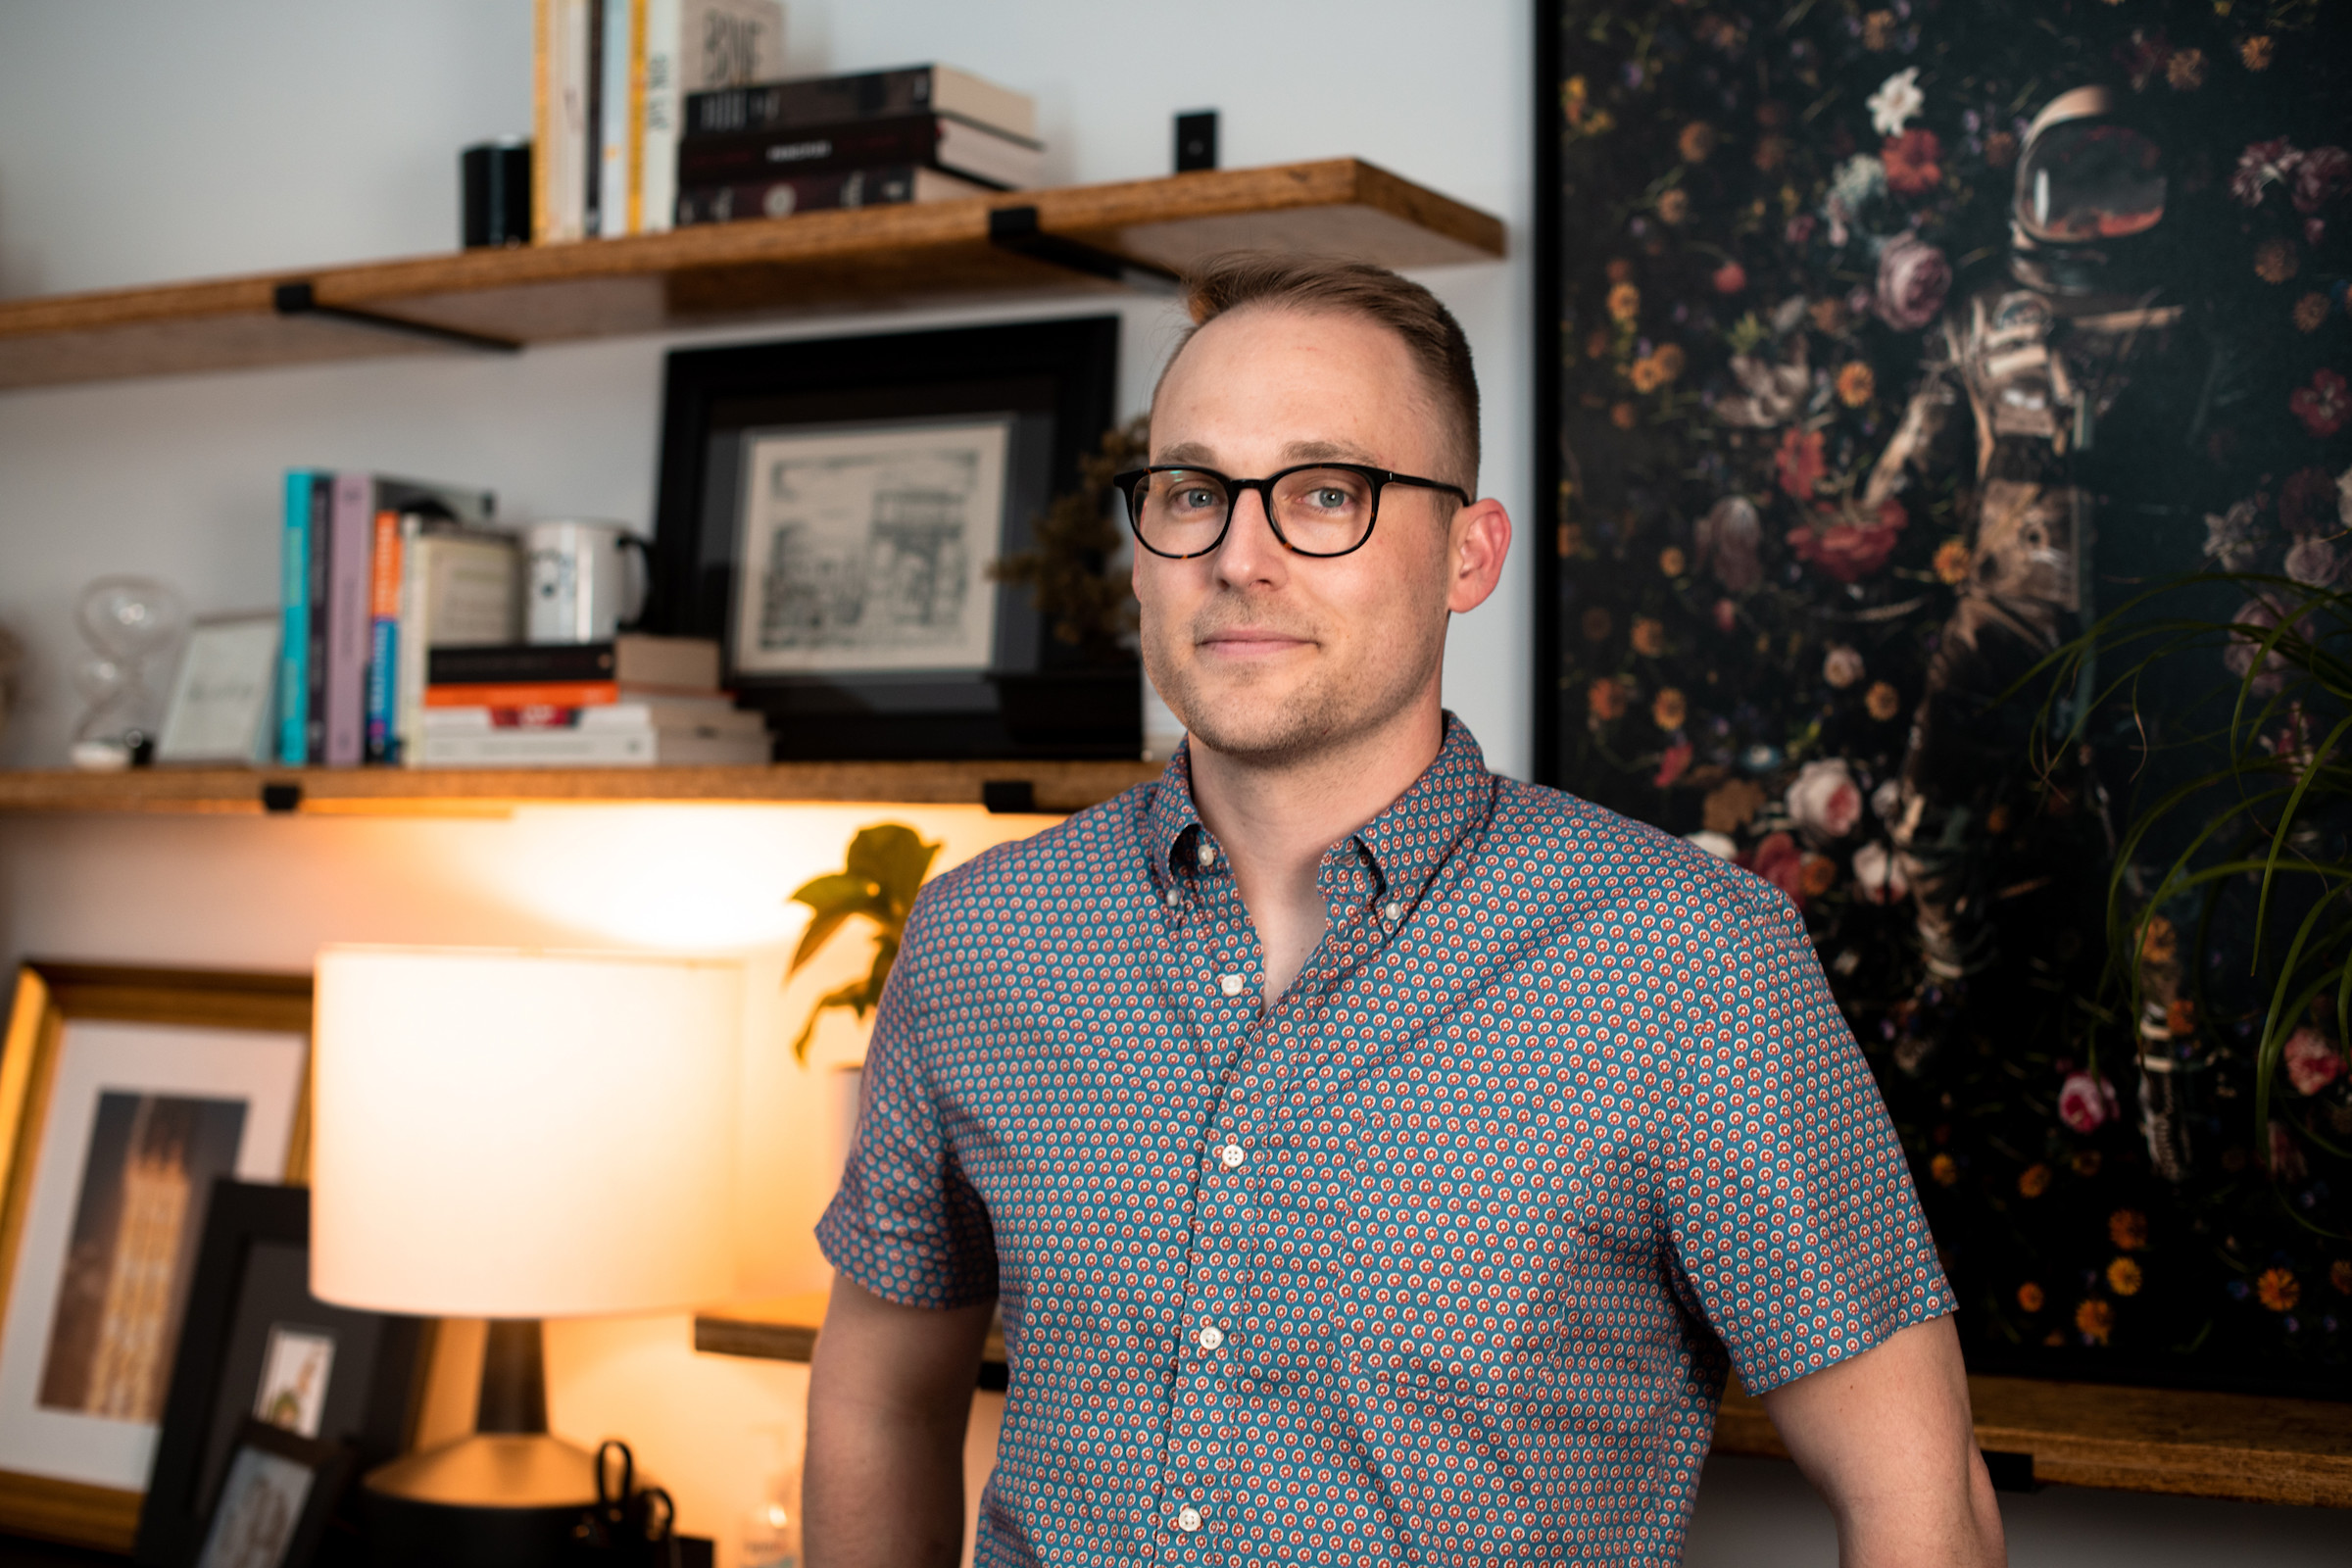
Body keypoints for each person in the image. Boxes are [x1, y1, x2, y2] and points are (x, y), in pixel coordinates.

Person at [806, 254, 2005, 1567]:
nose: (1239, 558)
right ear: (1140, 552)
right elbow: (879, 1393)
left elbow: (1919, 1495)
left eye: (1328, 492)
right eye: (1192, 493)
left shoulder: (1689, 961)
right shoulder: (985, 936)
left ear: (1467, 554)